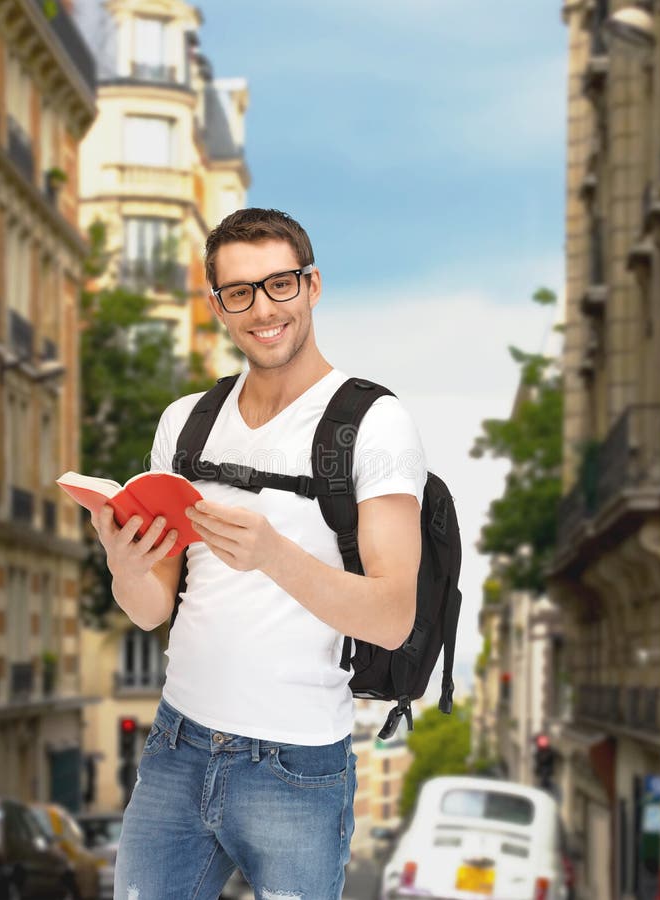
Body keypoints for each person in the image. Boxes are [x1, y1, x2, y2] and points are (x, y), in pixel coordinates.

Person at [93, 208, 426, 899]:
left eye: (279, 284)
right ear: (218, 306)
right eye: (239, 292)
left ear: (312, 286)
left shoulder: (372, 423)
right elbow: (153, 606)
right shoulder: (184, 422)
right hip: (175, 747)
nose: (263, 308)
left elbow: (393, 616)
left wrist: (274, 555)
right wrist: (125, 565)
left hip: (296, 765)